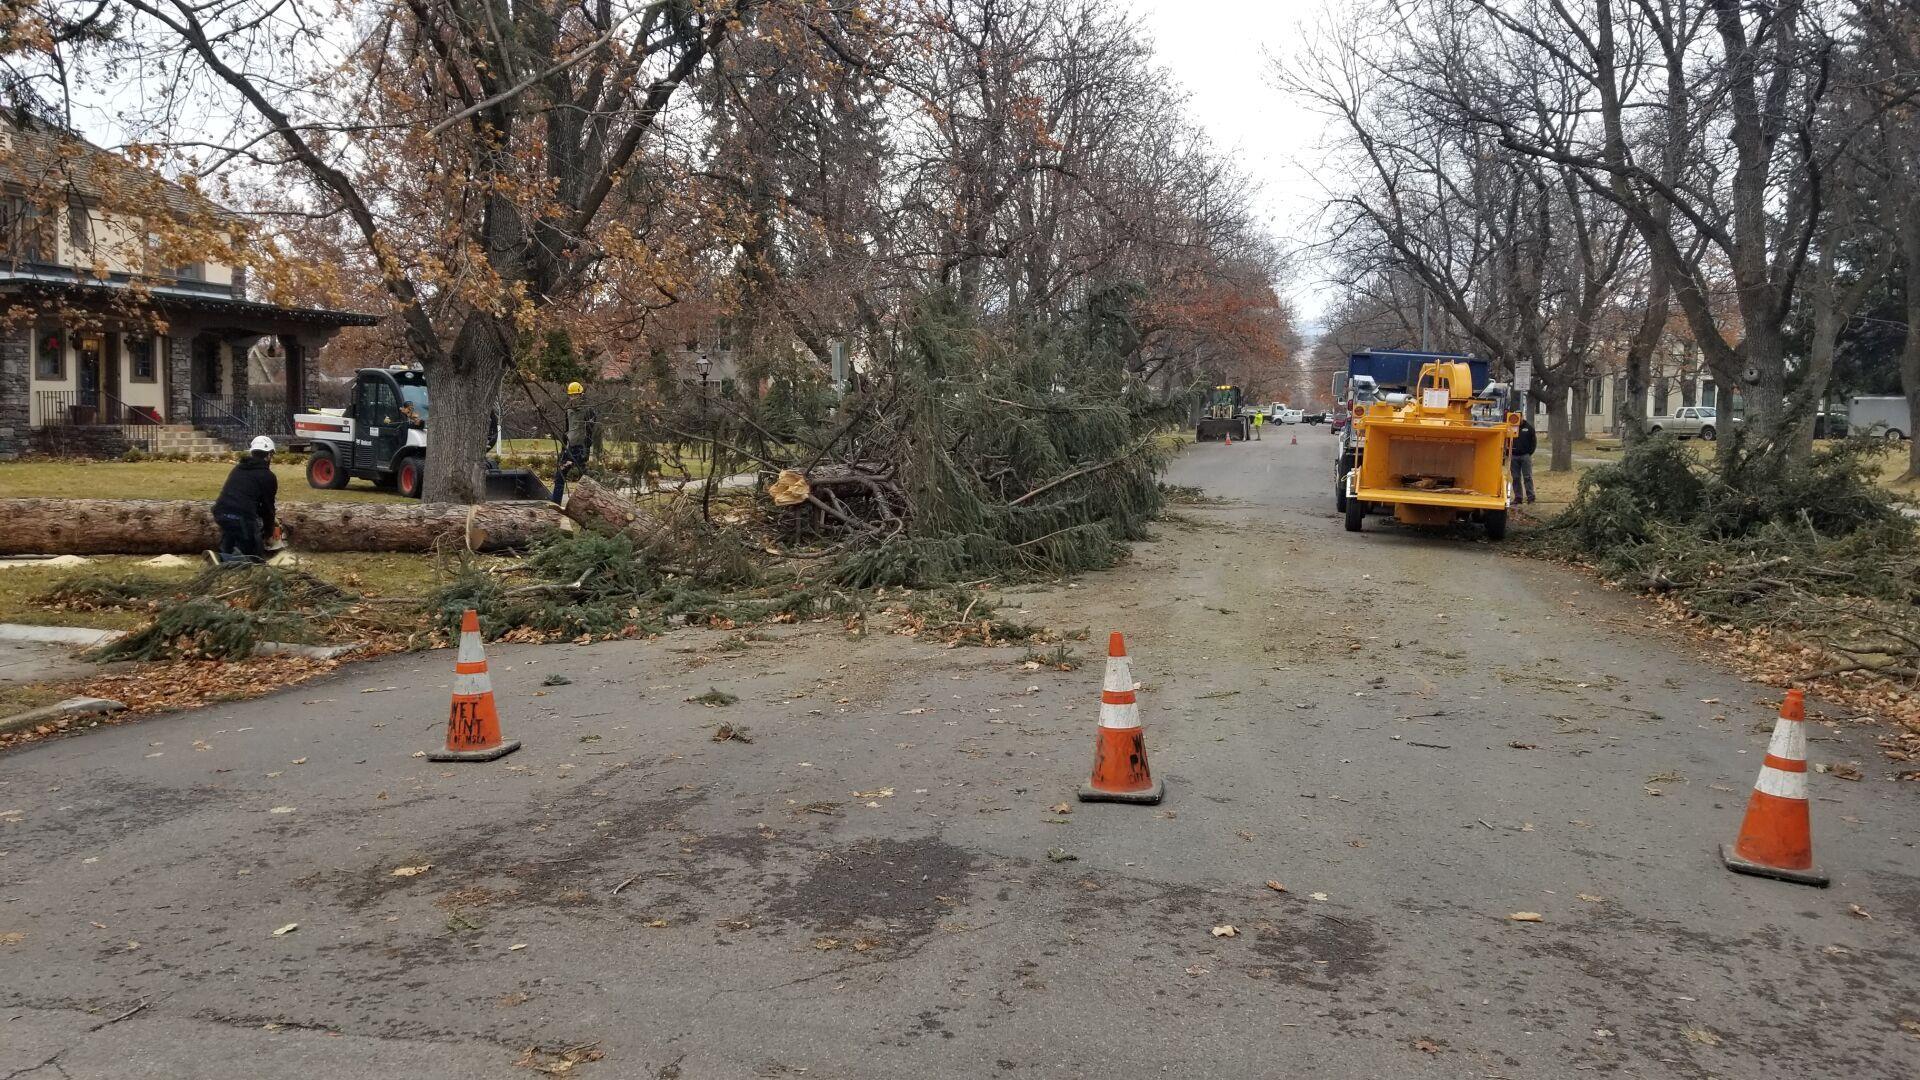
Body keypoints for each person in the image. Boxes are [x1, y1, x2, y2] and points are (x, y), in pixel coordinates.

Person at [211, 435, 279, 564]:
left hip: (220, 512)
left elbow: (242, 496)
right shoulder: (268, 476)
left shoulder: (239, 468)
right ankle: (223, 560)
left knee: (233, 535)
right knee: (254, 557)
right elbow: (267, 508)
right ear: (269, 455)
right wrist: (269, 531)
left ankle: (222, 555)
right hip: (241, 517)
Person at [551, 381, 597, 504]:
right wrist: (562, 449)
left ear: (581, 395)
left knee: (585, 477)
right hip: (569, 447)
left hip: (581, 447)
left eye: (576, 395)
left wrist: (586, 451)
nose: (573, 398)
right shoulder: (568, 410)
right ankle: (555, 504)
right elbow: (566, 430)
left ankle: (593, 503)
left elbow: (590, 432)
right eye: (571, 395)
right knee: (560, 475)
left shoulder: (588, 411)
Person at [1511, 416, 1537, 505]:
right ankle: (1518, 497)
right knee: (1515, 477)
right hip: (1514, 456)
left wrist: (1529, 452)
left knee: (1527, 477)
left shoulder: (1529, 428)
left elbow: (1534, 441)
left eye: (1519, 417)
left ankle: (1531, 497)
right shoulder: (1511, 427)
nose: (1517, 419)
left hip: (1525, 456)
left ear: (1522, 417)